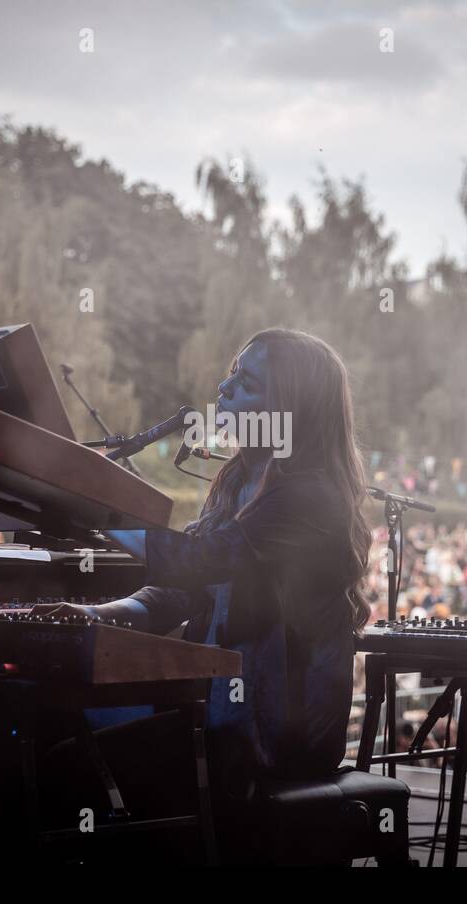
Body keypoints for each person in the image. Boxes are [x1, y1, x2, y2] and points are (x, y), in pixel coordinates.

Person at [32, 329, 370, 857]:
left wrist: (97, 515)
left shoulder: (312, 498)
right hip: (215, 708)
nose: (223, 385)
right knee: (47, 719)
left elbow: (203, 559)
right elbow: (178, 592)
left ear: (290, 406)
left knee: (63, 752)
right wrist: (93, 613)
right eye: (231, 372)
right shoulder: (237, 484)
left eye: (247, 381)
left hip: (275, 732)